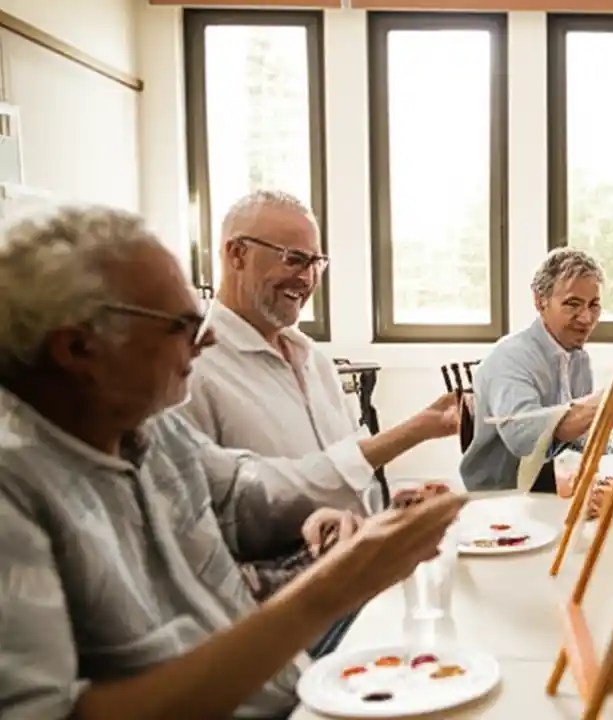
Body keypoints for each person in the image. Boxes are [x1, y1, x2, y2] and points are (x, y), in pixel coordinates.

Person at [0, 204, 466, 719]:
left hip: (290, 690)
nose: (208, 338)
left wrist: (320, 521)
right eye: (181, 324)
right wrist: (328, 589)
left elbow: (244, 490)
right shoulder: (15, 486)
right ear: (78, 348)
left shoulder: (151, 427)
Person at [181, 190, 459, 514]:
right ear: (237, 254)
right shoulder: (192, 372)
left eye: (316, 263)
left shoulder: (316, 361)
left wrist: (393, 513)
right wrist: (414, 430)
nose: (308, 278)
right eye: (294, 259)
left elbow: (350, 484)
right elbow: (213, 519)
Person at [460, 248, 606, 492]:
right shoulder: (510, 357)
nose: (587, 318)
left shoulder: (579, 359)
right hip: (504, 497)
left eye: (594, 305)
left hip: (552, 487)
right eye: (573, 304)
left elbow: (577, 441)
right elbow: (525, 440)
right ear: (540, 301)